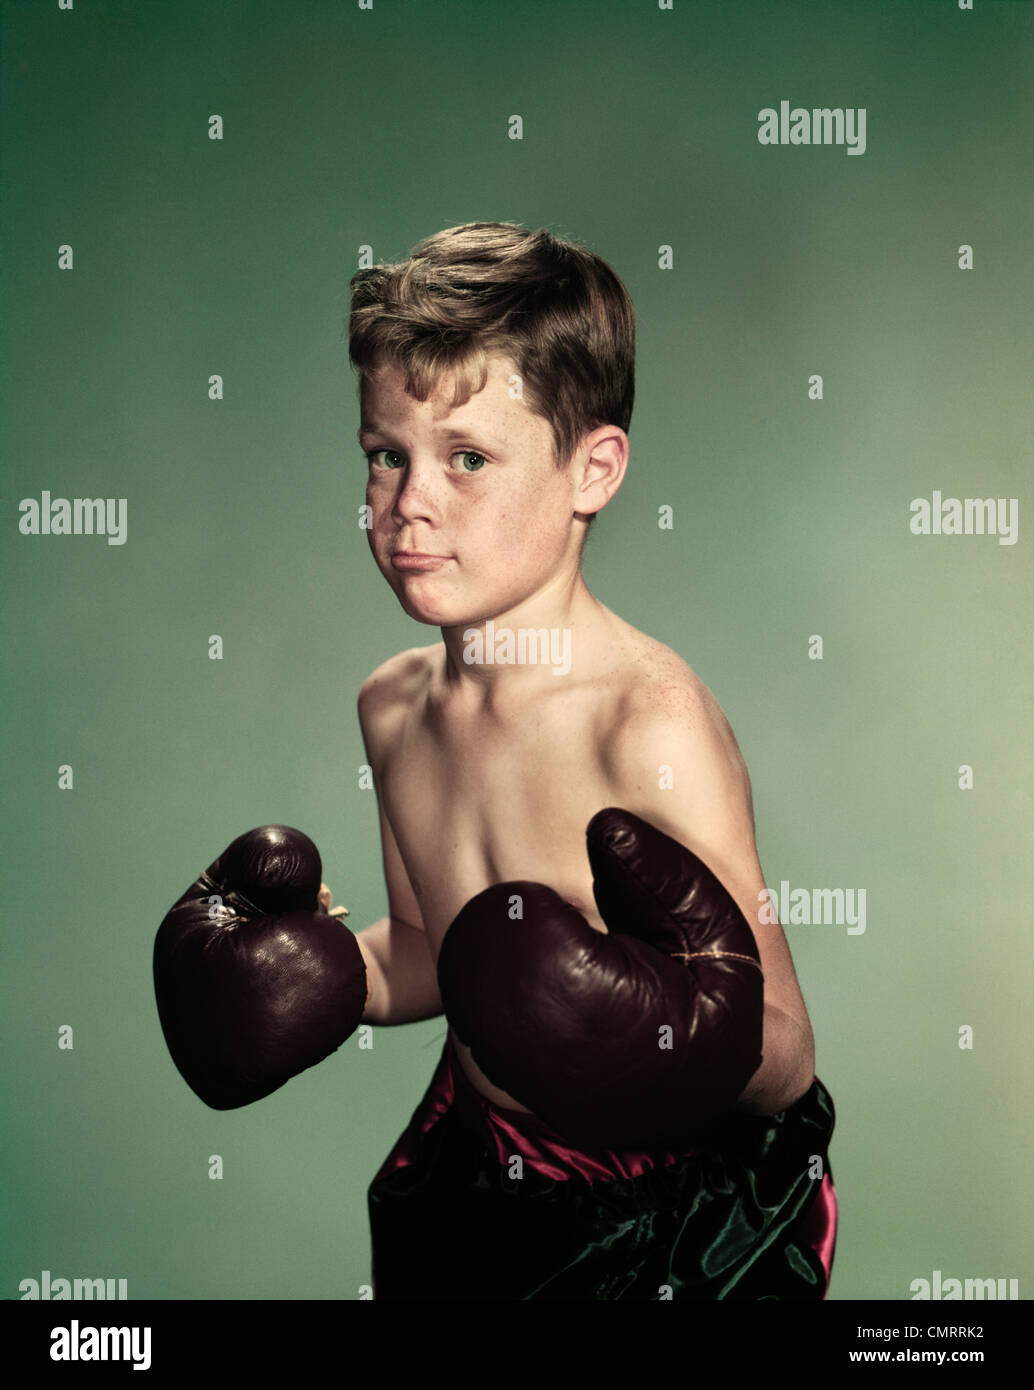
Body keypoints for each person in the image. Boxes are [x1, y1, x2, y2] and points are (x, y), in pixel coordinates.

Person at [344, 221, 837, 1299]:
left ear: (592, 470)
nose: (407, 501)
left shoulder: (647, 723)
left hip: (666, 1217)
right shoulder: (391, 706)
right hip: (479, 1175)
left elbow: (784, 1049)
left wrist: (649, 1028)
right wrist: (332, 978)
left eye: (466, 458)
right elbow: (435, 952)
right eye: (387, 454)